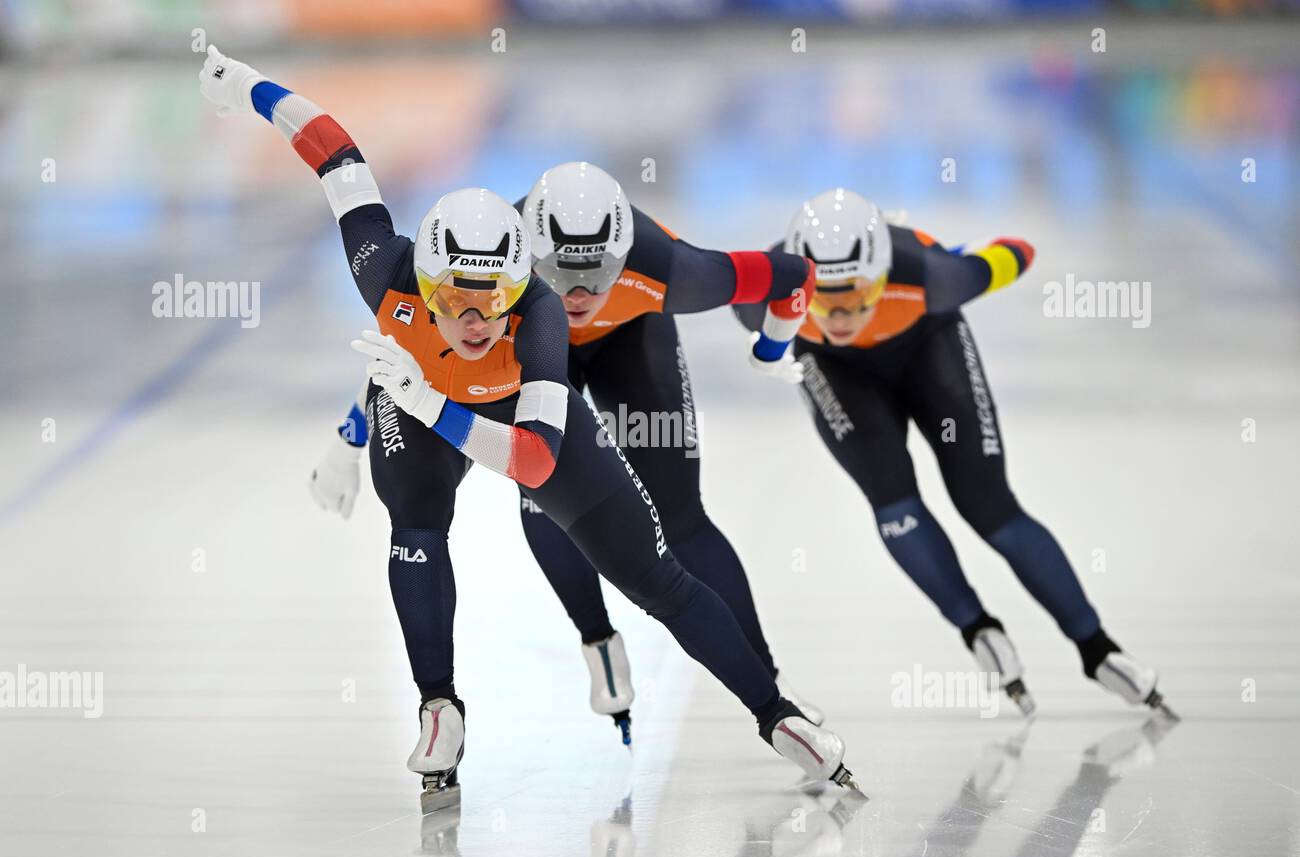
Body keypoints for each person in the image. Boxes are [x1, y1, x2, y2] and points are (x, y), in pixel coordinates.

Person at [197, 45, 859, 812]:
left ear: (521, 280)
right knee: (414, 523)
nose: (478, 320)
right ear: (425, 282)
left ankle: (775, 713)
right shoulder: (382, 267)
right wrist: (247, 85)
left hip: (491, 409)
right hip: (418, 406)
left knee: (653, 574)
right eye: (460, 301)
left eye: (496, 300)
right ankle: (438, 703)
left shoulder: (541, 311)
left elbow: (537, 461)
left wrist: (429, 402)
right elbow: (336, 154)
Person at [314, 161, 825, 744]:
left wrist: (772, 347)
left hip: (627, 345)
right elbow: (410, 351)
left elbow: (792, 277)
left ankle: (767, 681)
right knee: (541, 495)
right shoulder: (487, 256)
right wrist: (352, 434)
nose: (578, 294)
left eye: (599, 275)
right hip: (522, 353)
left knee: (679, 517)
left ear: (625, 258)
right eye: (557, 273)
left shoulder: (668, 269)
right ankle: (597, 637)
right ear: (520, 262)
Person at [734, 187, 1175, 719]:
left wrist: (967, 252)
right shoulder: (762, 296)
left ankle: (1097, 646)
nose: (842, 315)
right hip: (836, 373)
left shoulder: (934, 274)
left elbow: (1018, 251)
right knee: (893, 502)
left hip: (929, 347)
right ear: (802, 290)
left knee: (990, 507)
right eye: (824, 300)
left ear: (883, 275)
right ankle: (977, 627)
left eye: (855, 296)